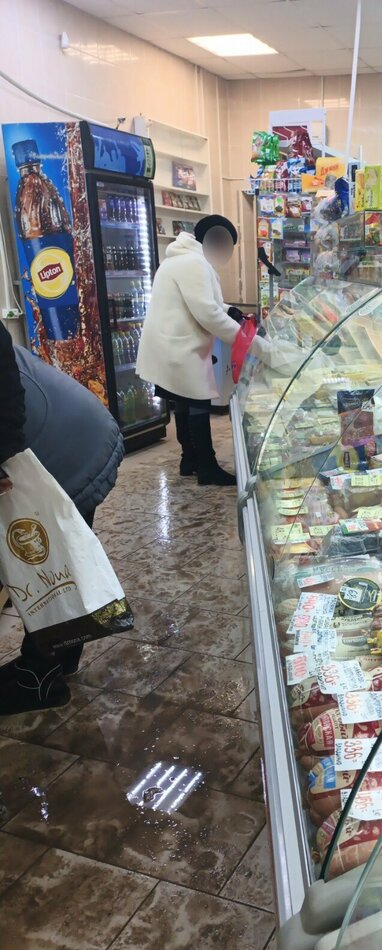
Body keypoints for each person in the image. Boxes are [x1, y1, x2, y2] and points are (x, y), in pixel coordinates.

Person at [0, 323, 124, 714]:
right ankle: (57, 658)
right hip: (58, 429)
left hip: (65, 443)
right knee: (51, 561)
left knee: (50, 564)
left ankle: (42, 676)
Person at [137, 215, 244, 486]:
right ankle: (206, 467)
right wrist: (243, 339)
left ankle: (189, 459)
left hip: (169, 345)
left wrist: (230, 310)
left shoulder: (177, 258)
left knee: (183, 402)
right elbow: (207, 313)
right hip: (180, 348)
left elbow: (199, 300)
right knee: (198, 401)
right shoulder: (194, 263)